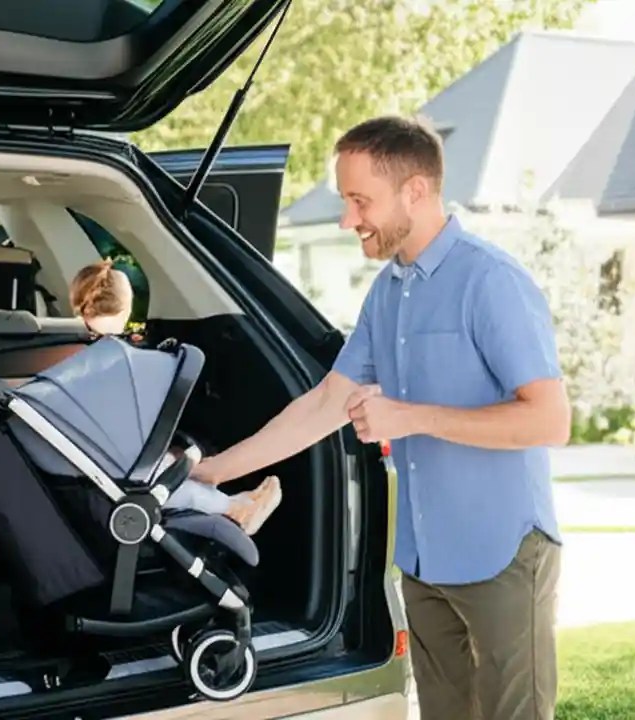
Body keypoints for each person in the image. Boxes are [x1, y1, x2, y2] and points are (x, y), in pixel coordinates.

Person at [190, 116, 570, 720]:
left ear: (415, 191)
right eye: (346, 201)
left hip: (502, 553)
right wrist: (210, 473)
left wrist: (413, 417)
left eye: (360, 200)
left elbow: (549, 421)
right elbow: (322, 405)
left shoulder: (490, 281)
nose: (348, 220)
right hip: (424, 561)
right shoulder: (389, 292)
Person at [69, 259, 282, 535]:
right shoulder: (125, 360)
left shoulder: (70, 353)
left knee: (171, 465)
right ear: (127, 308)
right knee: (163, 479)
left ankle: (221, 496)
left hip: (86, 455)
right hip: (112, 468)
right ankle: (234, 509)